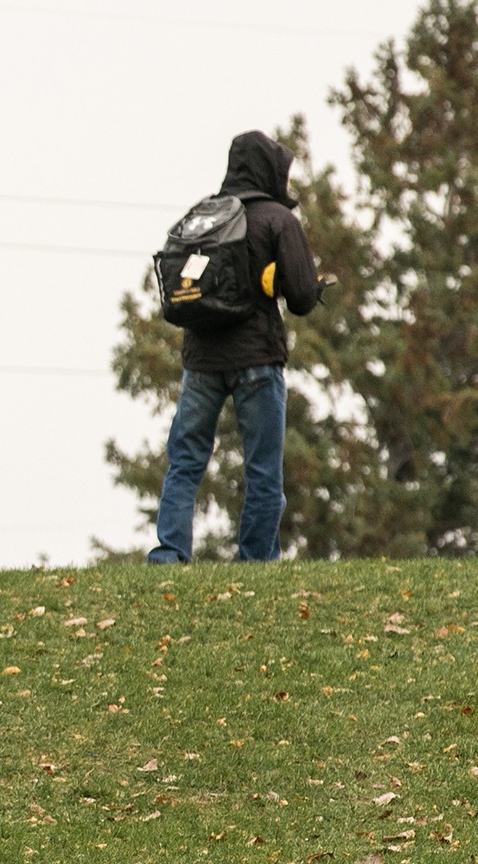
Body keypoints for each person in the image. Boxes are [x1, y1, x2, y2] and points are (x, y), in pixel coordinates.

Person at [148, 131, 323, 564]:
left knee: (185, 462)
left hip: (201, 361)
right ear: (270, 170)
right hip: (257, 360)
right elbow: (302, 299)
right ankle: (256, 561)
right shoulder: (277, 219)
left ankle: (170, 553)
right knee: (262, 471)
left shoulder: (202, 216)